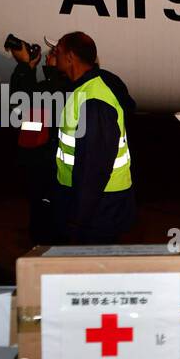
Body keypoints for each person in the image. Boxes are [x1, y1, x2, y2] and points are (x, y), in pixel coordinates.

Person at [49, 31, 137, 244]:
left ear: (70, 57)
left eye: (57, 51)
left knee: (94, 269)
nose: (53, 55)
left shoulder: (93, 98)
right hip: (98, 201)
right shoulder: (84, 89)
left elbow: (93, 167)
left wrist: (78, 220)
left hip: (99, 206)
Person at [8, 37, 66, 244]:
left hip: (48, 172)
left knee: (46, 230)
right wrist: (29, 69)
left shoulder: (59, 87)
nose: (48, 57)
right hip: (47, 170)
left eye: (54, 54)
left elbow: (19, 103)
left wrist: (24, 66)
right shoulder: (55, 86)